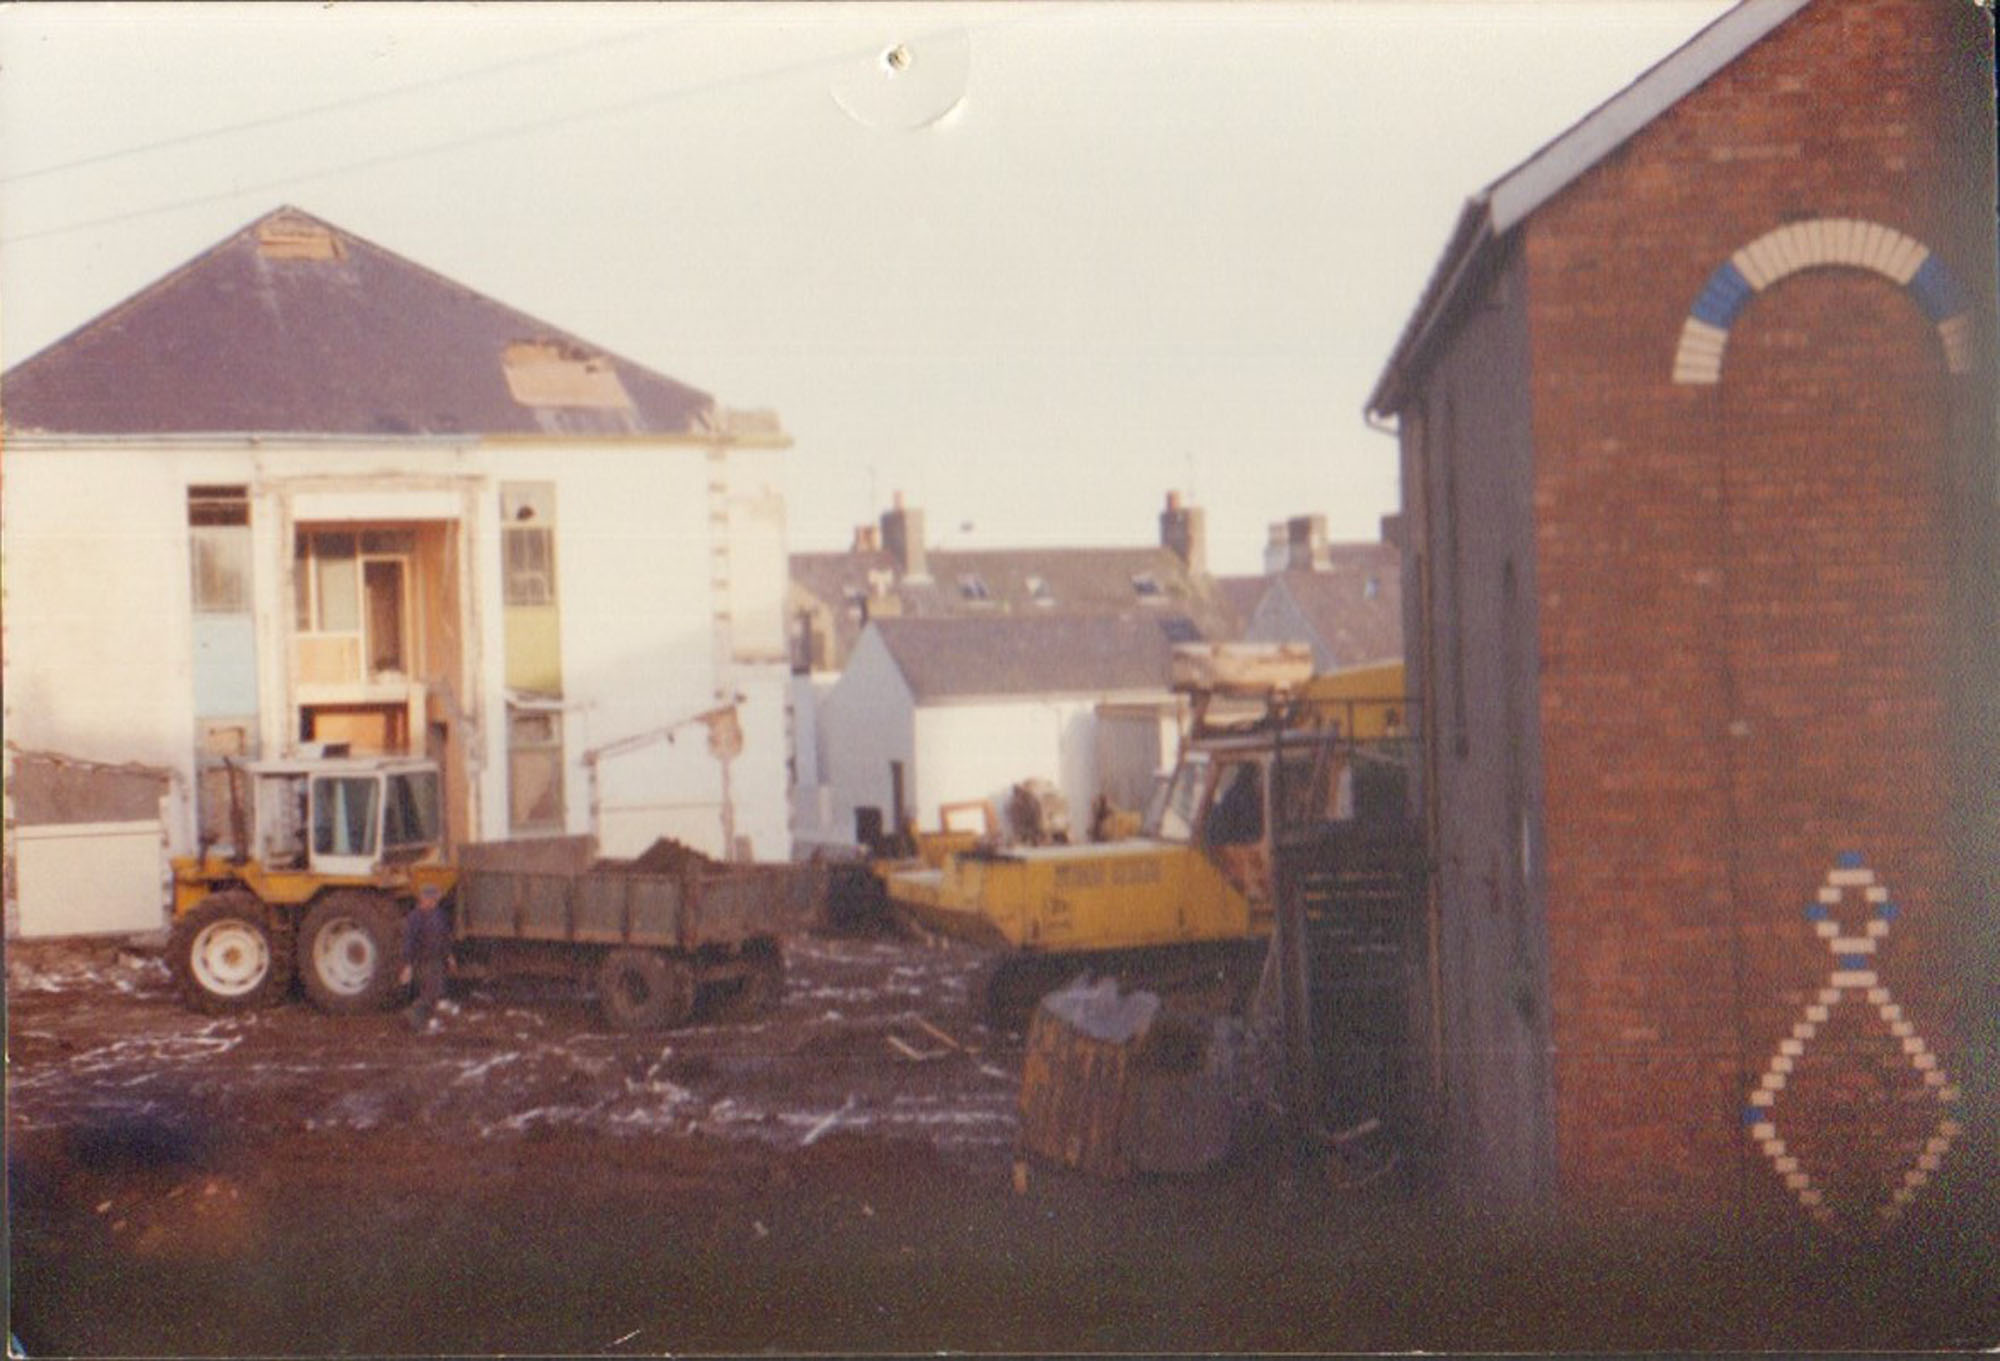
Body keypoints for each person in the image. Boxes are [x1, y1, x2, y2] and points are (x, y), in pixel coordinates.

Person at [399, 883, 454, 1033]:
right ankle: (414, 1018)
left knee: (437, 993)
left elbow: (444, 936)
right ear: (424, 899)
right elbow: (409, 941)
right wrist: (407, 965)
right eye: (432, 899)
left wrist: (449, 956)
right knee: (429, 993)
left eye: (436, 899)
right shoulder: (415, 918)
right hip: (423, 960)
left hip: (437, 959)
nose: (434, 902)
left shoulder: (438, 914)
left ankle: (424, 1022)